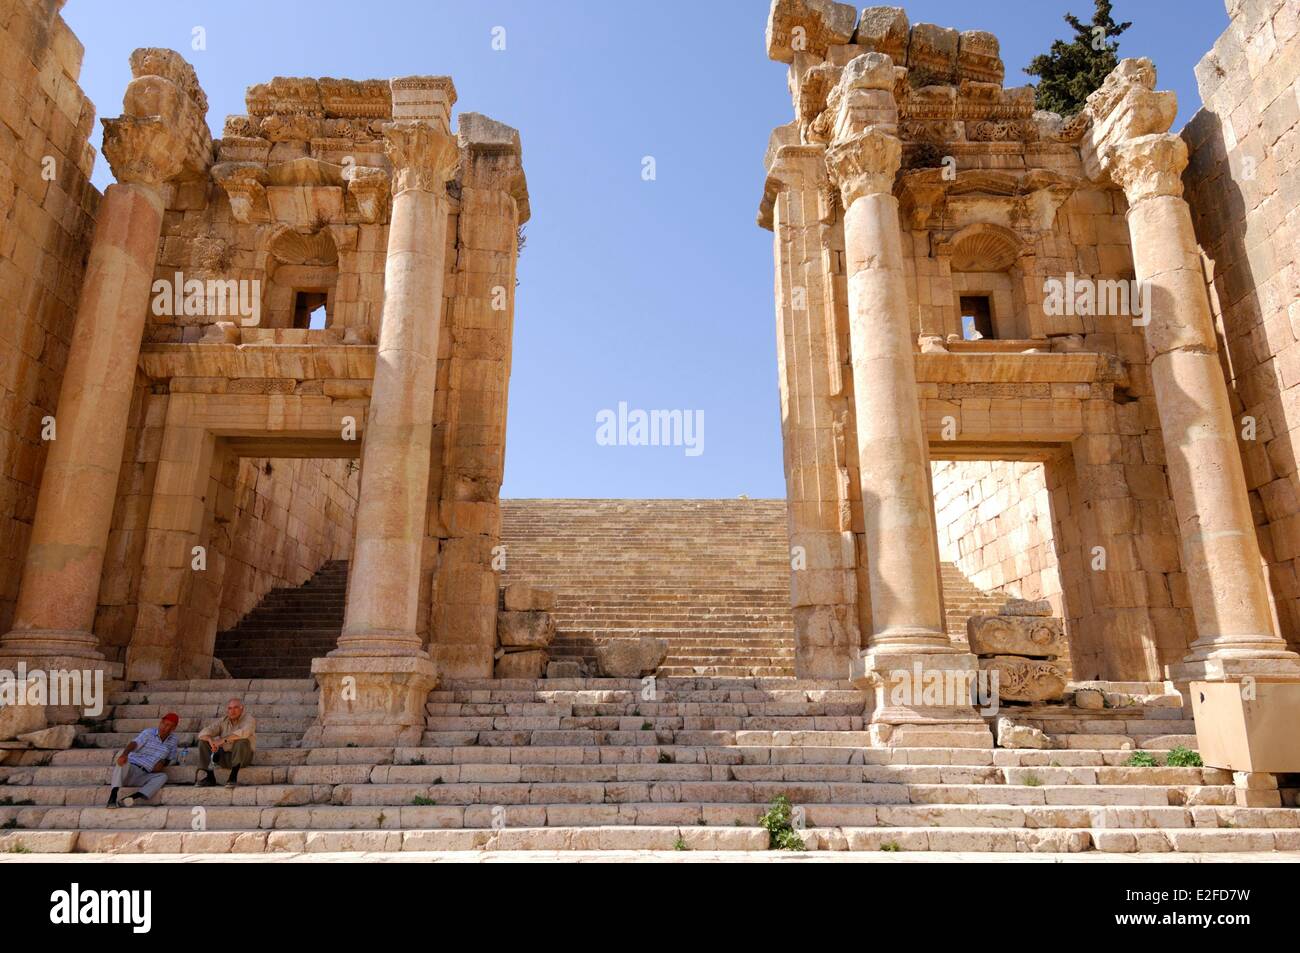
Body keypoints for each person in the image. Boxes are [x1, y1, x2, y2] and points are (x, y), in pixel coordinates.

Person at [107, 712, 179, 808]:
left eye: (169, 726)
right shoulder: (148, 733)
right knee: (123, 762)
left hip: (145, 774)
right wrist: (124, 754)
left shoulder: (173, 740)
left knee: (163, 776)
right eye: (164, 723)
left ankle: (132, 798)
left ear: (173, 728)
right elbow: (134, 743)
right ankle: (112, 797)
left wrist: (163, 763)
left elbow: (172, 758)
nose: (164, 727)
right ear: (160, 722)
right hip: (131, 769)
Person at [195, 698, 256, 788]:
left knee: (242, 741)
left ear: (242, 708)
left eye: (235, 708)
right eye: (230, 708)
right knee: (203, 741)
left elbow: (245, 732)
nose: (232, 711)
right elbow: (205, 731)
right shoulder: (224, 720)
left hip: (243, 758)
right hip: (224, 757)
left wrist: (222, 740)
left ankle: (233, 776)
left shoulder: (249, 719)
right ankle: (210, 777)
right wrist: (210, 740)